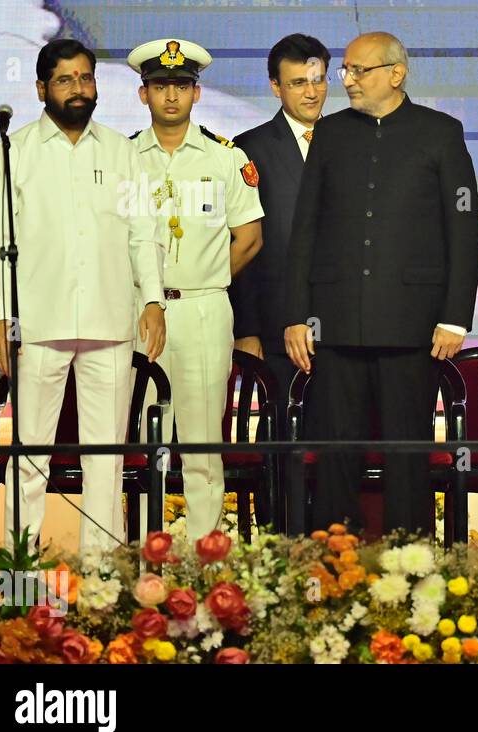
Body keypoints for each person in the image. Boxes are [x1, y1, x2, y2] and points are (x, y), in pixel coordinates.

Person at [283, 31, 478, 535]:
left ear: (396, 74)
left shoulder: (441, 132)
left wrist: (455, 317)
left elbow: (465, 228)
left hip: (413, 325)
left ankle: (409, 567)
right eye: (344, 71)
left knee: (407, 455)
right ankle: (331, 567)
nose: (346, 80)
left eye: (359, 71)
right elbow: (305, 228)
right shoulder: (329, 134)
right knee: (335, 456)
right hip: (335, 321)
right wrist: (294, 314)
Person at [0, 39, 166, 552]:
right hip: (37, 326)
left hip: (109, 324)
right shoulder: (14, 151)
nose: (78, 88)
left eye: (85, 78)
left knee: (106, 457)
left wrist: (152, 300)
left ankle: (102, 577)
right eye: (65, 80)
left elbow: (142, 234)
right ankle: (20, 576)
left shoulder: (122, 151)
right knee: (31, 456)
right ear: (41, 89)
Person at [127, 38, 264, 540]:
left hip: (205, 310)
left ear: (197, 93)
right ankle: (145, 552)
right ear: (143, 94)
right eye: (160, 86)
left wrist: (204, 279)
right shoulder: (124, 158)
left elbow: (249, 239)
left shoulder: (226, 158)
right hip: (141, 312)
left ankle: (207, 556)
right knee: (144, 442)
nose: (170, 97)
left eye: (180, 86)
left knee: (205, 444)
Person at [232, 33, 332, 417]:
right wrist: (246, 328)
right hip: (274, 328)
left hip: (342, 329)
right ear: (275, 87)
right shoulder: (248, 149)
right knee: (283, 447)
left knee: (336, 448)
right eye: (298, 83)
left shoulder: (353, 139)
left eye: (318, 80)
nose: (311, 93)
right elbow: (243, 245)